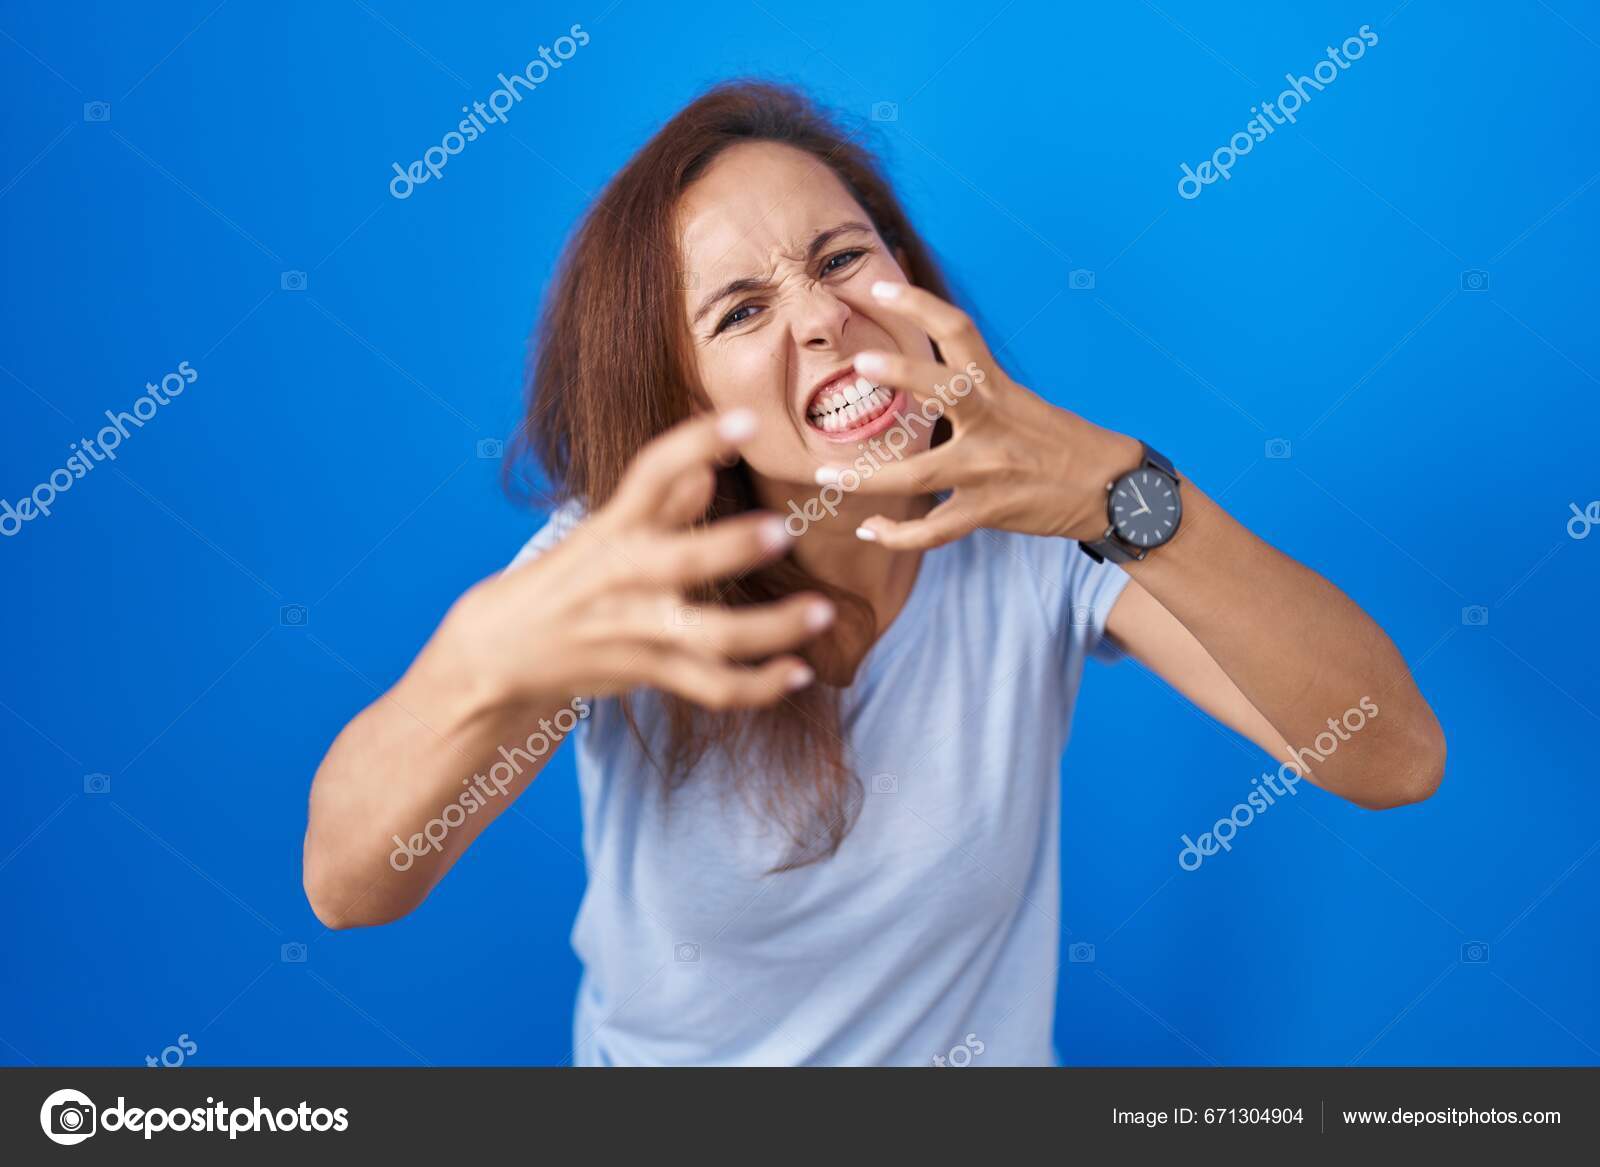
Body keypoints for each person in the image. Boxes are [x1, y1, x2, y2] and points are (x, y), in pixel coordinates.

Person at [303, 80, 1445, 1066]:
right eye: (742, 310)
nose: (823, 318)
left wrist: (1120, 491)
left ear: (909, 273)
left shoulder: (1044, 528)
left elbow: (1390, 755)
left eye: (843, 257)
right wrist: (480, 663)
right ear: (686, 397)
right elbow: (351, 888)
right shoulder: (622, 565)